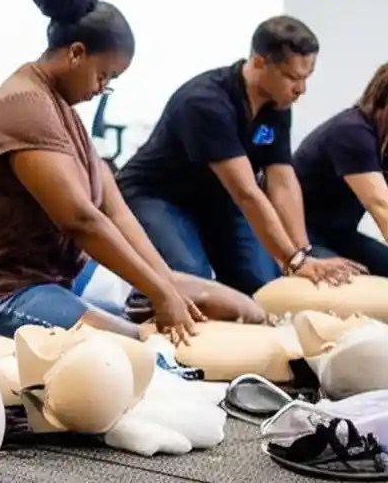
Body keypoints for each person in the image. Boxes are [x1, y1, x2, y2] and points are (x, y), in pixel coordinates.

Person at [0, 0, 263, 345]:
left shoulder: (61, 108)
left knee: (234, 305)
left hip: (44, 274)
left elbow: (114, 209)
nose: (102, 88)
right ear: (77, 53)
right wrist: (160, 294)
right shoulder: (23, 106)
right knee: (136, 347)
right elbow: (80, 220)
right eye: (104, 75)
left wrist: (165, 284)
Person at [116, 16, 364, 296]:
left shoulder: (277, 104)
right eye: (292, 77)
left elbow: (282, 181)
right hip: (158, 196)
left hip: (216, 199)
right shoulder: (206, 102)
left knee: (264, 282)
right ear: (259, 62)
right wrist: (293, 260)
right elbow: (246, 192)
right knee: (189, 277)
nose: (301, 89)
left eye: (306, 78)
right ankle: (145, 318)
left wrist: (302, 254)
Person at [292, 63, 388, 275]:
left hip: (339, 235)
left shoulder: (384, 143)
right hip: (302, 236)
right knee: (348, 281)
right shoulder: (351, 132)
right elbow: (382, 206)